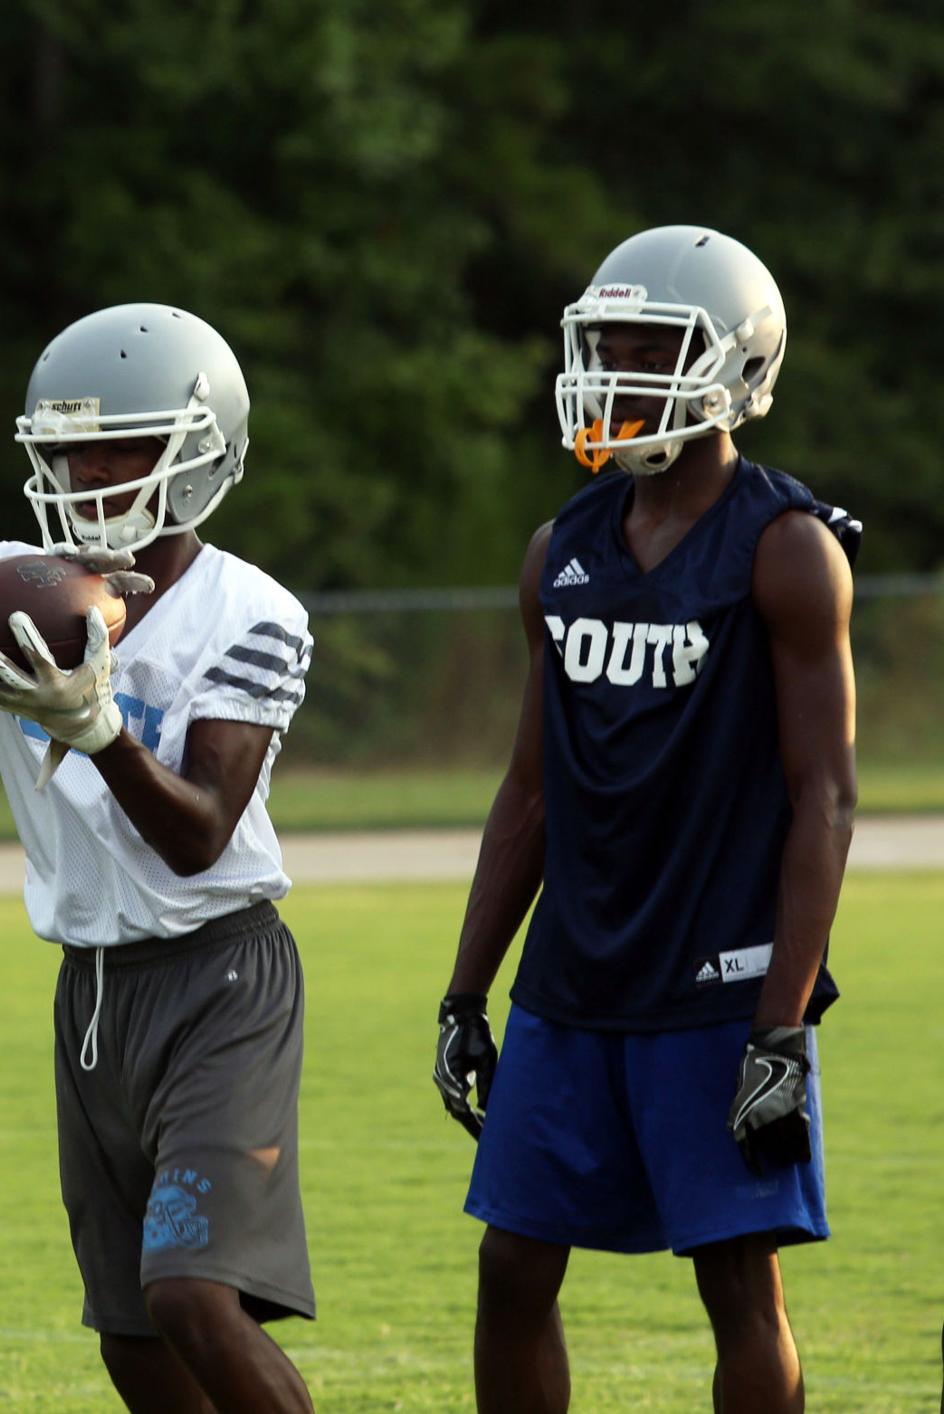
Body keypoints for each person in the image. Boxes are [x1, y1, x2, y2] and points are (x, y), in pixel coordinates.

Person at [0, 304, 317, 1414]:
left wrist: (100, 730)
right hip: (90, 986)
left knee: (192, 1294)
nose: (89, 474)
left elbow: (198, 835)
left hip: (218, 974)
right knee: (134, 1338)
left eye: (123, 447)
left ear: (200, 456)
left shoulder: (251, 611)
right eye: (68, 451)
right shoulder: (19, 573)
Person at [432, 226, 860, 1413]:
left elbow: (826, 797)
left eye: (646, 346)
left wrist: (782, 1027)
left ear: (734, 367)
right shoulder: (558, 550)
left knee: (736, 1279)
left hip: (717, 984)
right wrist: (468, 988)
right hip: (575, 979)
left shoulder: (786, 551)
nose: (615, 371)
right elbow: (529, 791)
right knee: (511, 1264)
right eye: (603, 345)